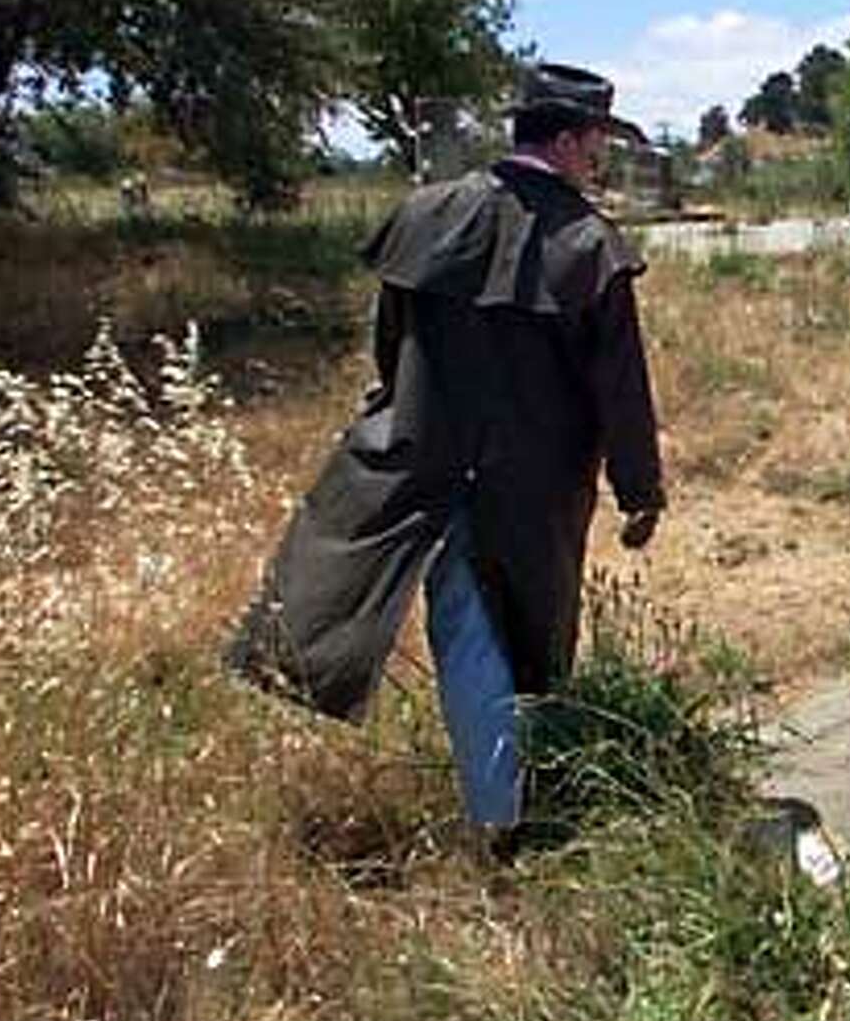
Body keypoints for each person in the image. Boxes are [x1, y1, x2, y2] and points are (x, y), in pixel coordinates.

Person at [229, 62, 665, 842]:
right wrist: (641, 490)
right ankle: (521, 813)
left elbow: (390, 352)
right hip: (534, 487)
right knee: (518, 633)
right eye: (596, 139)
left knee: (464, 628)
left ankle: (504, 805)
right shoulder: (589, 244)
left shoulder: (427, 216)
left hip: (425, 460)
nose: (598, 155)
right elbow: (620, 388)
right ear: (566, 140)